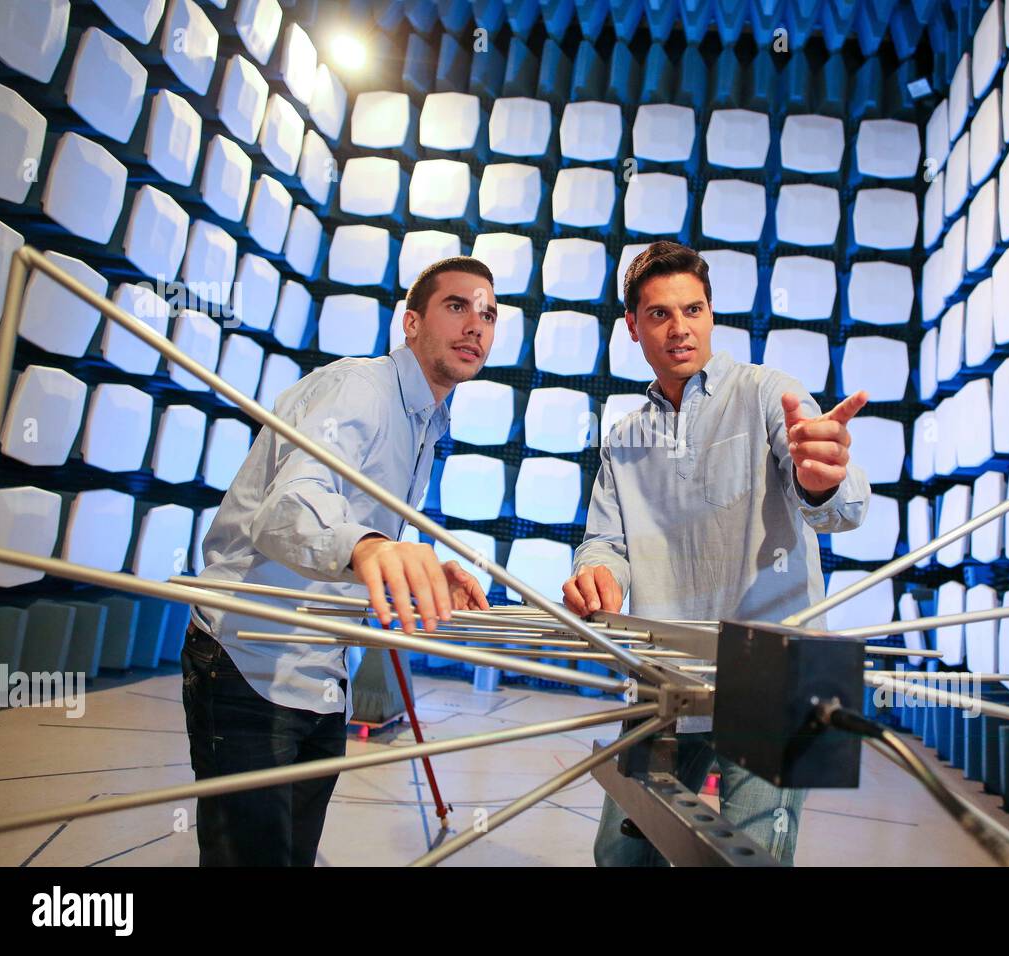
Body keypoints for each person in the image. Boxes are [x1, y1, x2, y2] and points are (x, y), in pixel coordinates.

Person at [562, 241, 871, 866]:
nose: (680, 329)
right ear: (633, 327)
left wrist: (824, 480)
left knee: (751, 861)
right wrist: (595, 572)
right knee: (619, 857)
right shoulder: (624, 439)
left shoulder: (768, 394)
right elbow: (605, 540)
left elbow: (844, 507)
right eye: (659, 315)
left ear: (710, 313)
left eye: (694, 309)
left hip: (780, 672)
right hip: (669, 670)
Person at [183, 257, 497, 866]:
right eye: (457, 306)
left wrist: (417, 569)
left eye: (487, 315)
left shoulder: (425, 423)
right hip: (249, 660)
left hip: (319, 672)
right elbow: (289, 509)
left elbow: (352, 528)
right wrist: (372, 548)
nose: (475, 327)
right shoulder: (362, 388)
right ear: (411, 322)